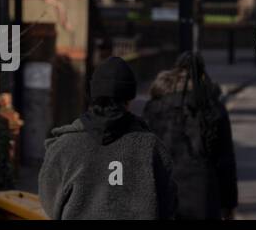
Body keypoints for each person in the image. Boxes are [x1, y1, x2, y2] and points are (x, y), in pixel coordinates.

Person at [39, 56, 177, 219]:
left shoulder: (63, 146)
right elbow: (169, 206)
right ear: (129, 99)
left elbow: (49, 204)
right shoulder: (152, 147)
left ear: (92, 95)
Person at [142, 52, 239, 220]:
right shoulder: (213, 108)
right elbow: (225, 162)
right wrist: (229, 204)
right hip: (204, 198)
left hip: (163, 196)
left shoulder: (154, 107)